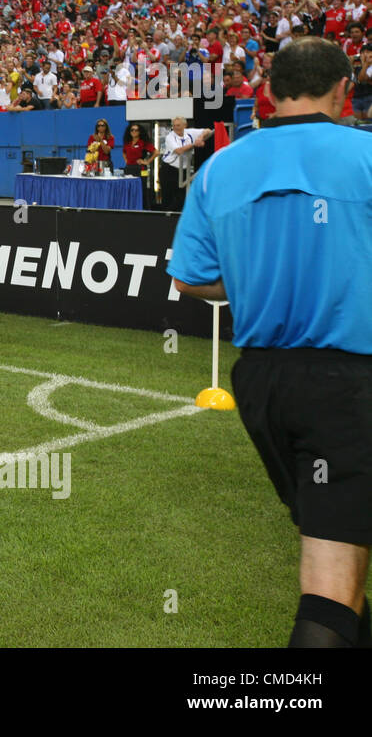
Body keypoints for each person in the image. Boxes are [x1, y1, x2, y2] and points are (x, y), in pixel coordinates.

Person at [168, 37, 372, 648]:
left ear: (269, 92)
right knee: (333, 580)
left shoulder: (221, 168)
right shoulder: (364, 155)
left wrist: (262, 277)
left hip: (263, 385)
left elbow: (190, 277)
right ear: (343, 91)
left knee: (339, 556)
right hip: (347, 381)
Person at [158, 116, 207, 212]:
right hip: (169, 169)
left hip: (183, 170)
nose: (176, 127)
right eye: (174, 125)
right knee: (168, 197)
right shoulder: (170, 137)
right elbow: (179, 151)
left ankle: (179, 219)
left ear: (185, 125)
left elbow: (208, 130)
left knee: (182, 198)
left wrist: (200, 138)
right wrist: (195, 144)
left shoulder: (190, 132)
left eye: (178, 125)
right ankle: (165, 220)